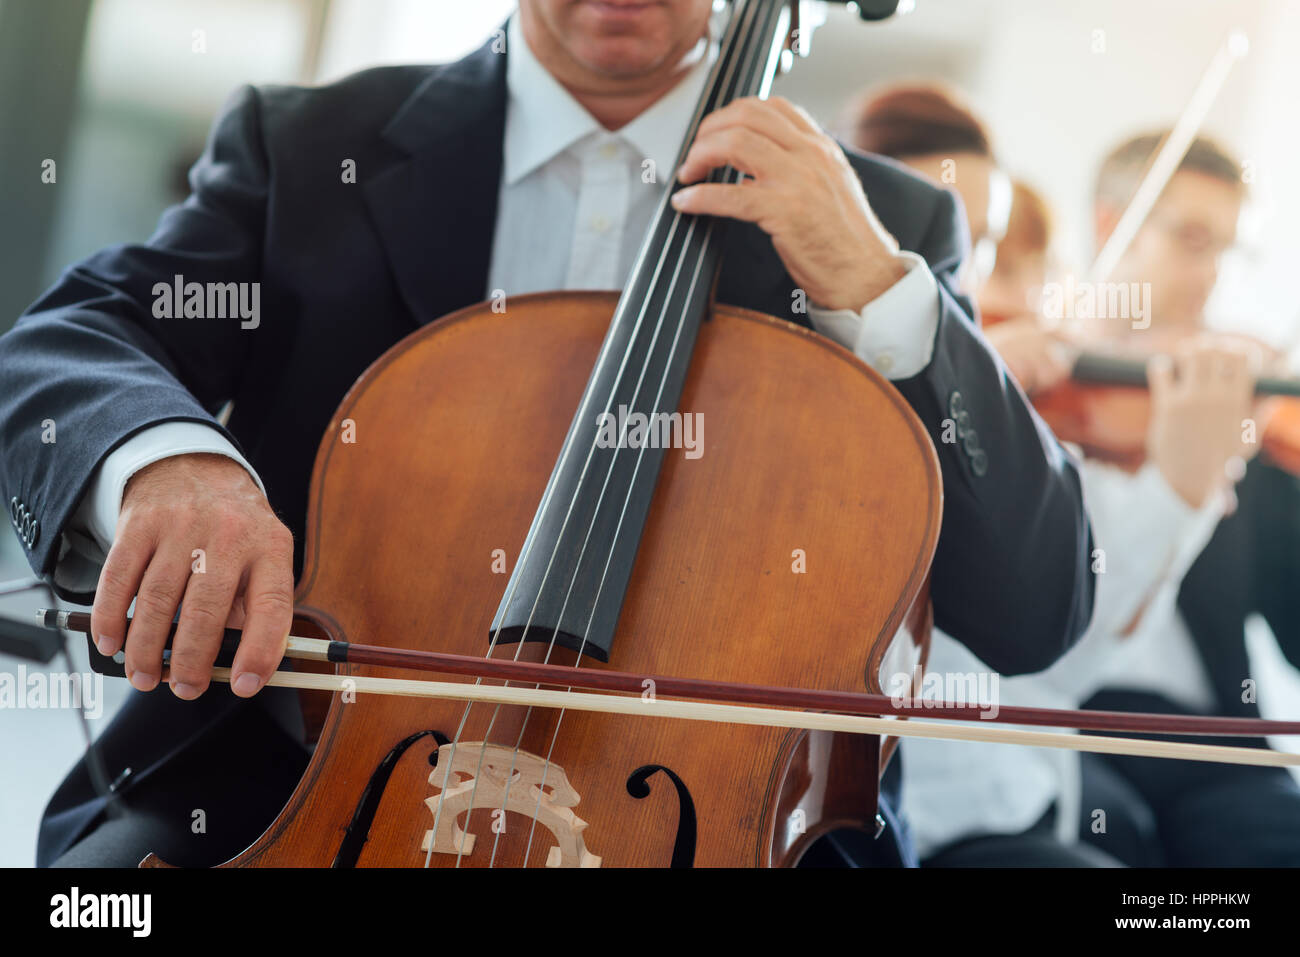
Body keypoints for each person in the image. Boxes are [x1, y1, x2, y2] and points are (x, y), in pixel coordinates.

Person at [0, 0, 1095, 867]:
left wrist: (884, 295)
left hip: (726, 821)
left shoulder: (885, 223)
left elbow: (1036, 605)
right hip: (278, 778)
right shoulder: (306, 147)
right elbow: (67, 344)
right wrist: (170, 461)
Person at [903, 130, 1300, 866]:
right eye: (1191, 239)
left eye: (1228, 251)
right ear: (1114, 225)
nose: (1210, 276)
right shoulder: (1012, 380)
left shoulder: (1233, 399)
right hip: (1069, 724)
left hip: (1208, 736)